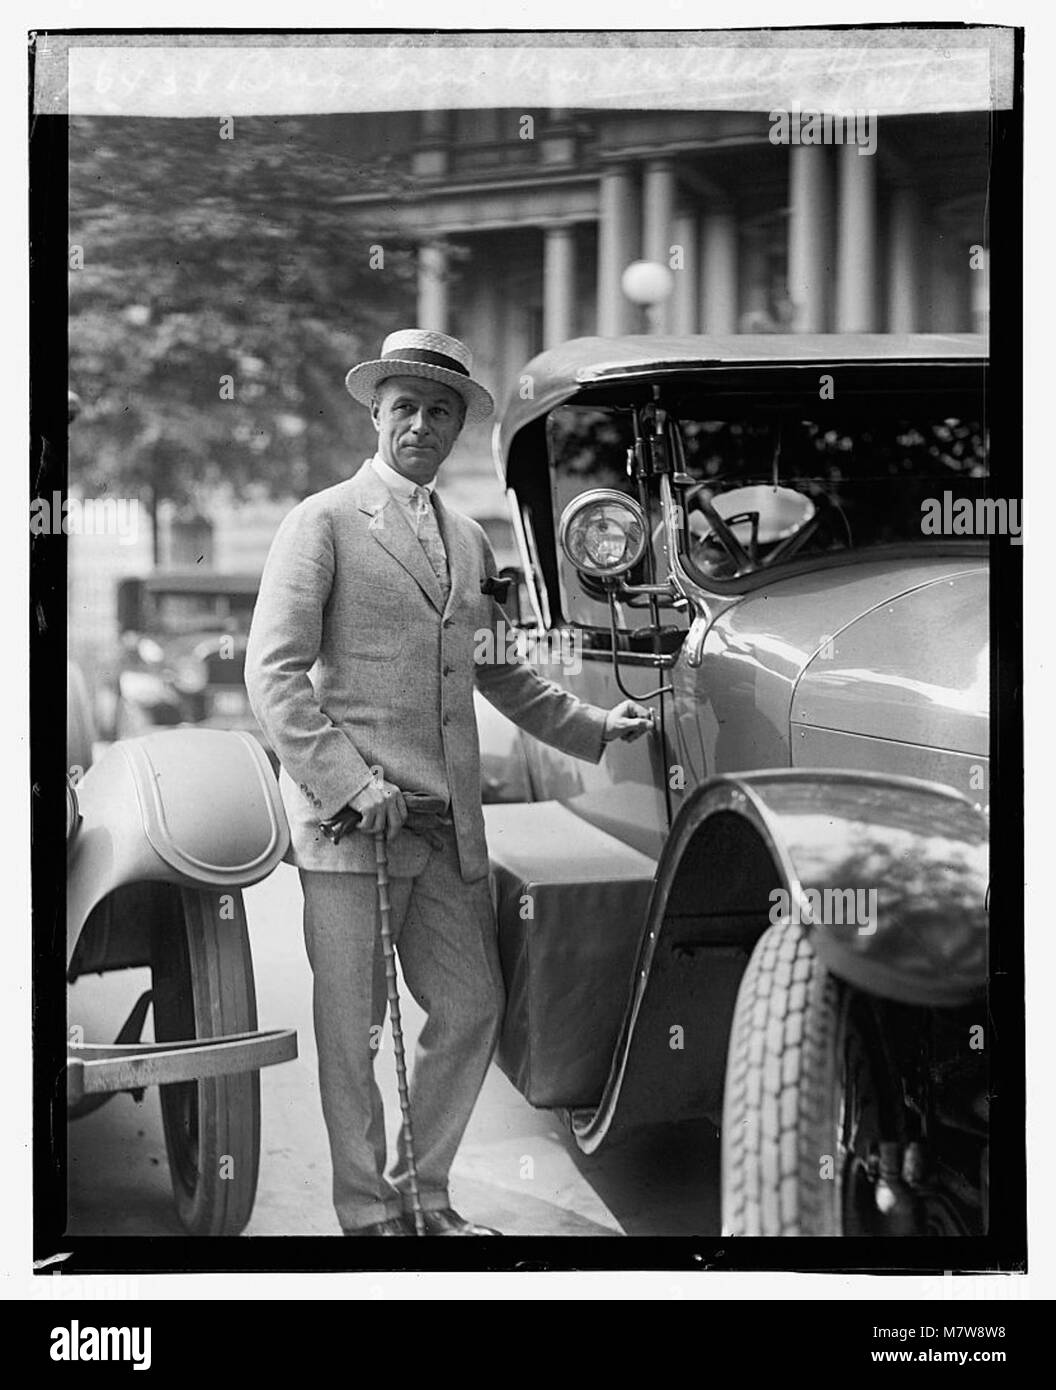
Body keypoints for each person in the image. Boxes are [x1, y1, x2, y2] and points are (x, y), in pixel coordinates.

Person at [245, 329, 652, 1236]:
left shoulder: (468, 538)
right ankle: (368, 1216)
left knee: (471, 1009)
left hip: (445, 831)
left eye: (440, 412)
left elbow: (500, 669)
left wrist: (595, 727)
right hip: (354, 832)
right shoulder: (322, 521)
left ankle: (426, 1193)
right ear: (378, 415)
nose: (421, 425)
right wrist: (352, 785)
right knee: (353, 1039)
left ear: (460, 425)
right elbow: (272, 676)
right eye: (405, 408)